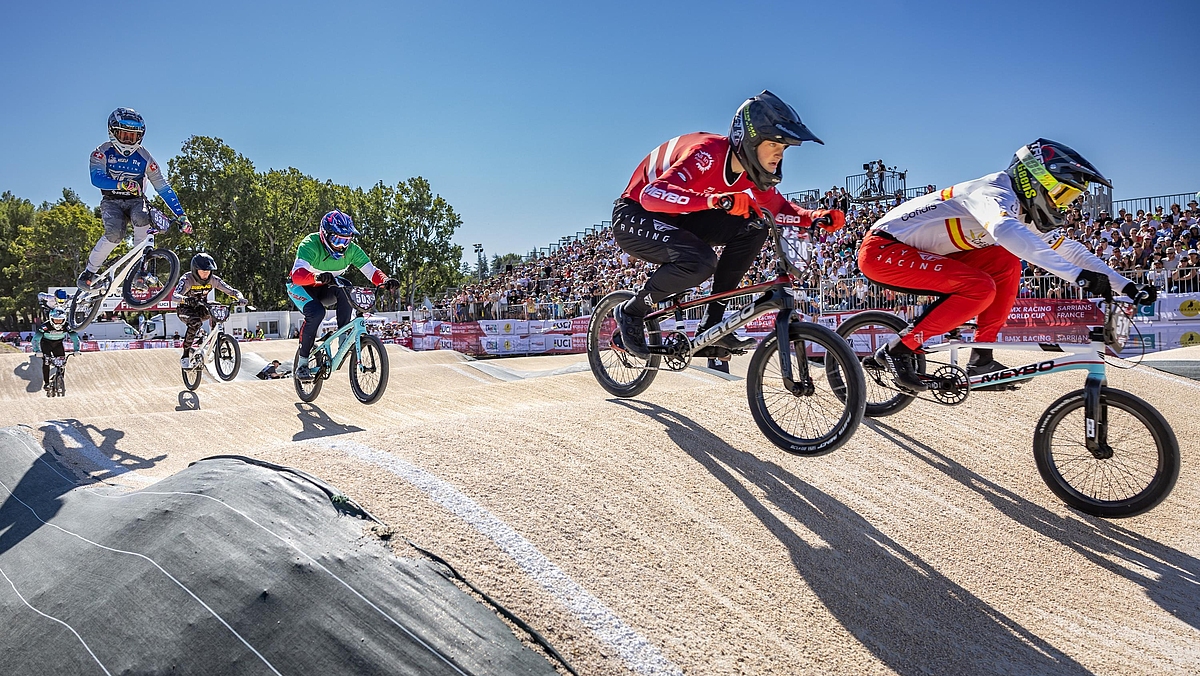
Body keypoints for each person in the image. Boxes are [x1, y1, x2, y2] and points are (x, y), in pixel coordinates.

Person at [858, 138, 1157, 392]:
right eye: (1062, 194)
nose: (1063, 206)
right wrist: (1078, 277)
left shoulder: (1022, 210)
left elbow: (1071, 251)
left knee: (1005, 260)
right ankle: (900, 348)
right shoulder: (994, 192)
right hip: (882, 249)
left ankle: (981, 357)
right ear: (1036, 180)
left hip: (925, 251)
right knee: (980, 287)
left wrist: (1127, 285)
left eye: (1070, 199)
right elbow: (1006, 232)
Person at [610, 90, 844, 358]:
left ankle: (712, 325)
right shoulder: (705, 154)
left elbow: (777, 208)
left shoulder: (749, 172)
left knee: (755, 225)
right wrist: (714, 200)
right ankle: (632, 310)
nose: (779, 155)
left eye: (783, 149)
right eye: (773, 145)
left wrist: (813, 217)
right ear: (749, 141)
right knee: (701, 261)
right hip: (635, 213)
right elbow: (650, 196)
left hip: (680, 217)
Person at [78, 108, 192, 289]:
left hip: (136, 201)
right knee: (115, 233)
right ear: (112, 132)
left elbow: (163, 187)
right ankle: (89, 272)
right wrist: (120, 184)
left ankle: (142, 270)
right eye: (124, 135)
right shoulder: (101, 152)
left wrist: (181, 215)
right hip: (111, 201)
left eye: (132, 137)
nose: (128, 141)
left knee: (143, 217)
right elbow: (96, 178)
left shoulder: (145, 157)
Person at [287, 210, 400, 380]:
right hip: (300, 287)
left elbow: (371, 270)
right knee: (317, 313)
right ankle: (302, 363)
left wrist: (385, 281)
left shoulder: (352, 250)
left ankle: (343, 336)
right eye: (337, 240)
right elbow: (297, 275)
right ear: (325, 235)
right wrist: (316, 276)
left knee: (347, 287)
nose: (342, 246)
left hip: (326, 286)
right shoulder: (310, 243)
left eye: (346, 240)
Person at [173, 253, 246, 368]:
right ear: (195, 270)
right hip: (185, 309)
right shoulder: (187, 279)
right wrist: (185, 299)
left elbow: (232, 291)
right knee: (196, 322)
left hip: (202, 307)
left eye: (208, 272)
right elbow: (174, 296)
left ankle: (217, 340)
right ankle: (186, 354)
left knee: (217, 307)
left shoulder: (213, 280)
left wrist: (240, 297)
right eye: (203, 272)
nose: (205, 275)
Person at [32, 309, 81, 396]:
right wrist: (37, 351)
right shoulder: (44, 326)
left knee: (62, 363)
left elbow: (75, 338)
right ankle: (46, 383)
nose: (58, 322)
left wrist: (77, 350)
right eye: (56, 320)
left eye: (60, 320)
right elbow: (36, 339)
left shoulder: (67, 326)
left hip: (58, 344)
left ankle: (60, 379)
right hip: (46, 344)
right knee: (46, 362)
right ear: (51, 319)